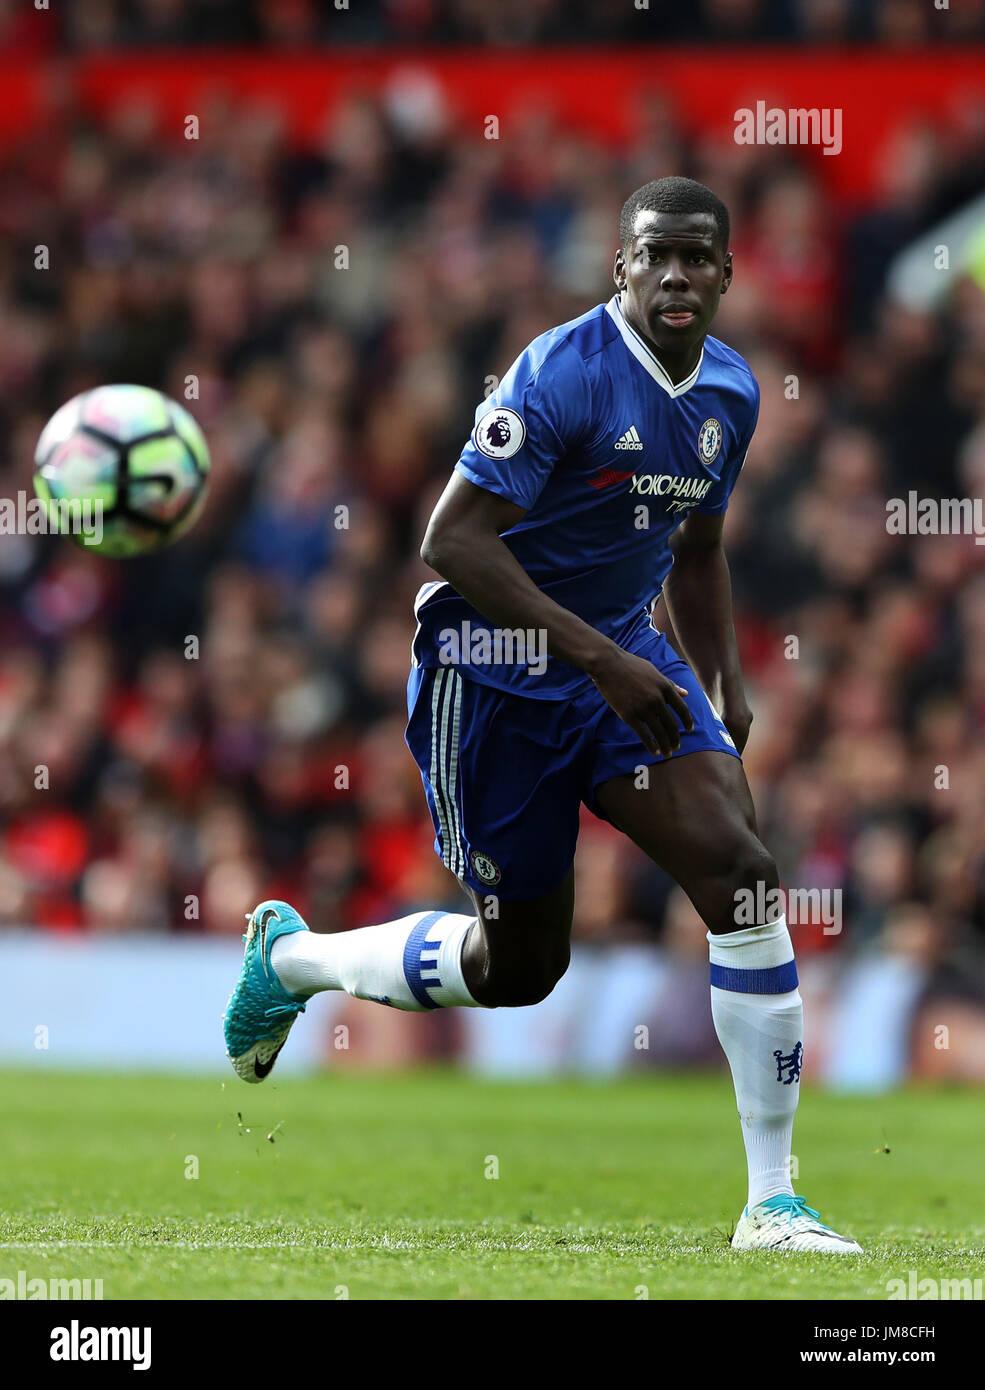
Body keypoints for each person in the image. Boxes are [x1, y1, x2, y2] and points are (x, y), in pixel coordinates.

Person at [223, 176, 861, 1254]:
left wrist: (724, 675)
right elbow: (453, 542)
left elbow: (694, 546)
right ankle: (292, 961)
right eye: (654, 254)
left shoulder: (732, 395)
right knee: (521, 969)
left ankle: (772, 1202)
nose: (674, 275)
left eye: (696, 257)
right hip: (494, 670)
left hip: (622, 656)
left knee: (743, 875)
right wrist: (606, 660)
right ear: (620, 264)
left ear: (724, 274)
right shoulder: (560, 373)